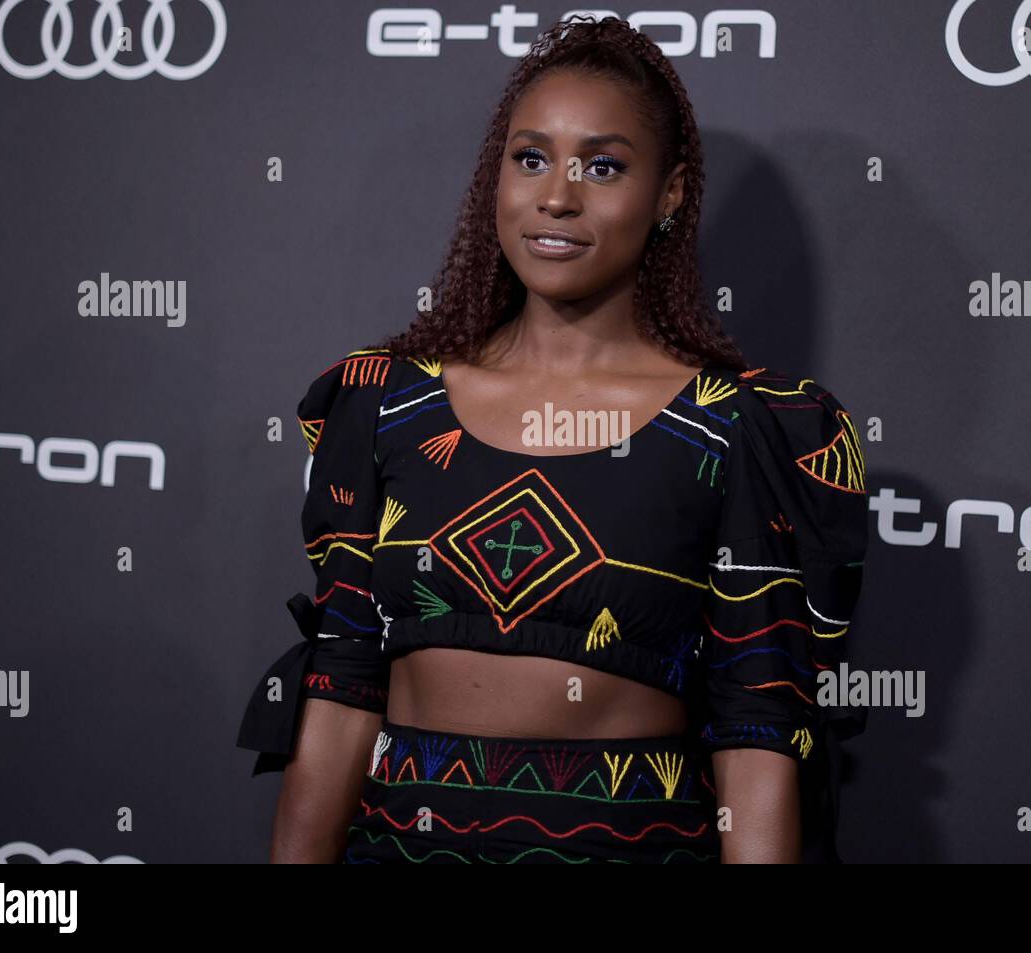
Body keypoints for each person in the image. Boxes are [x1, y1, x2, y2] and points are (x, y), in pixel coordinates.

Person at [237, 14, 869, 864]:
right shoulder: (385, 400)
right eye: (530, 157)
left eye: (601, 166)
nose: (557, 196)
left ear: (670, 195)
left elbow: (756, 734)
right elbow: (343, 683)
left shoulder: (736, 425)